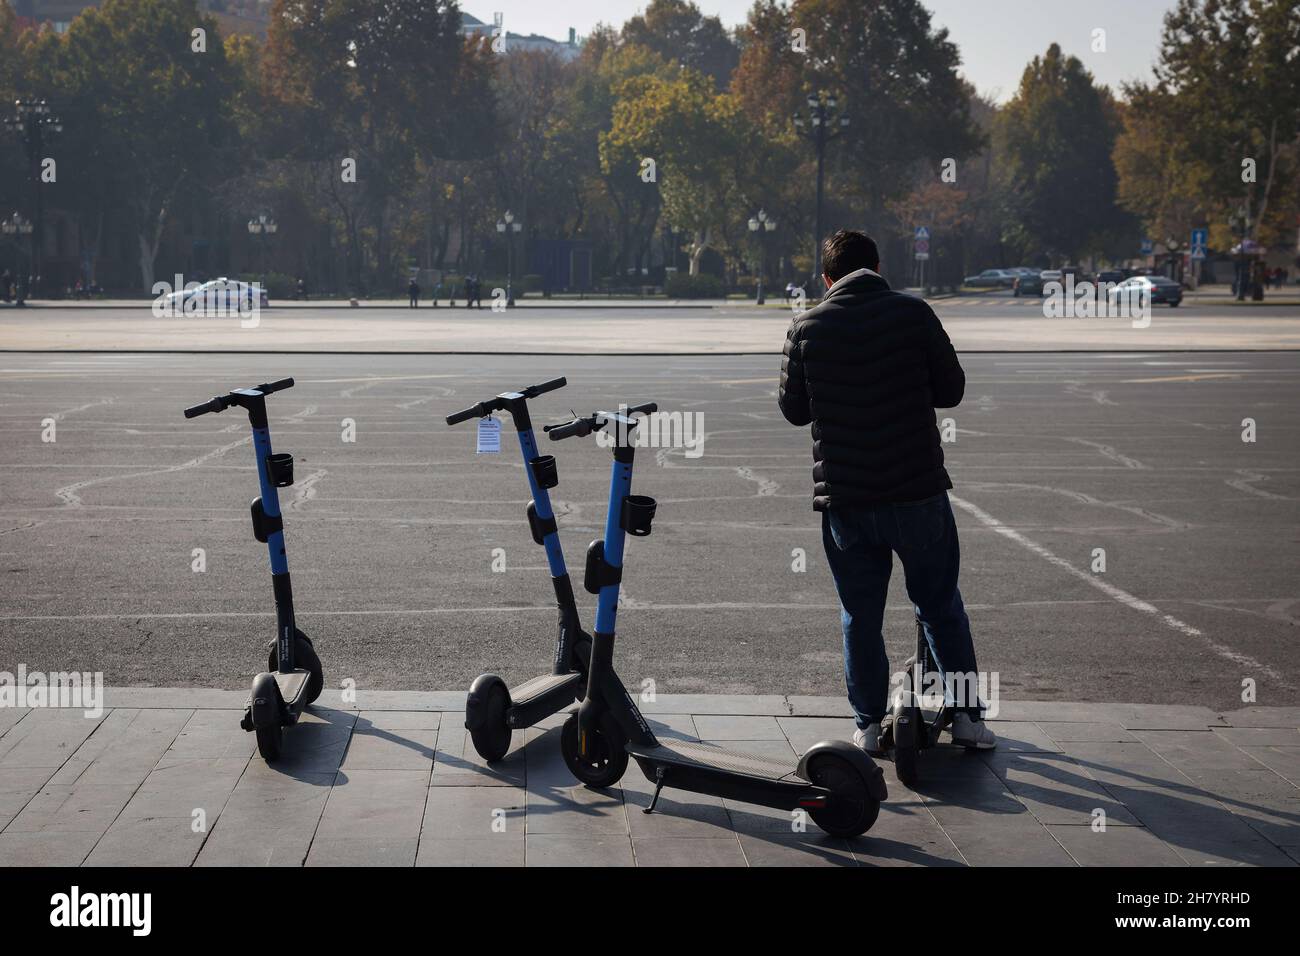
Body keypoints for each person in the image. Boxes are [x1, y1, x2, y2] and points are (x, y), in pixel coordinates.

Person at [778, 229, 995, 755]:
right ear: (879, 266)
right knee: (940, 605)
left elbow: (793, 410)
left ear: (826, 278)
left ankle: (869, 725)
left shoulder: (806, 325)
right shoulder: (914, 313)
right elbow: (953, 391)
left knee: (860, 615)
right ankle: (967, 720)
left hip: (847, 499)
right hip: (916, 491)